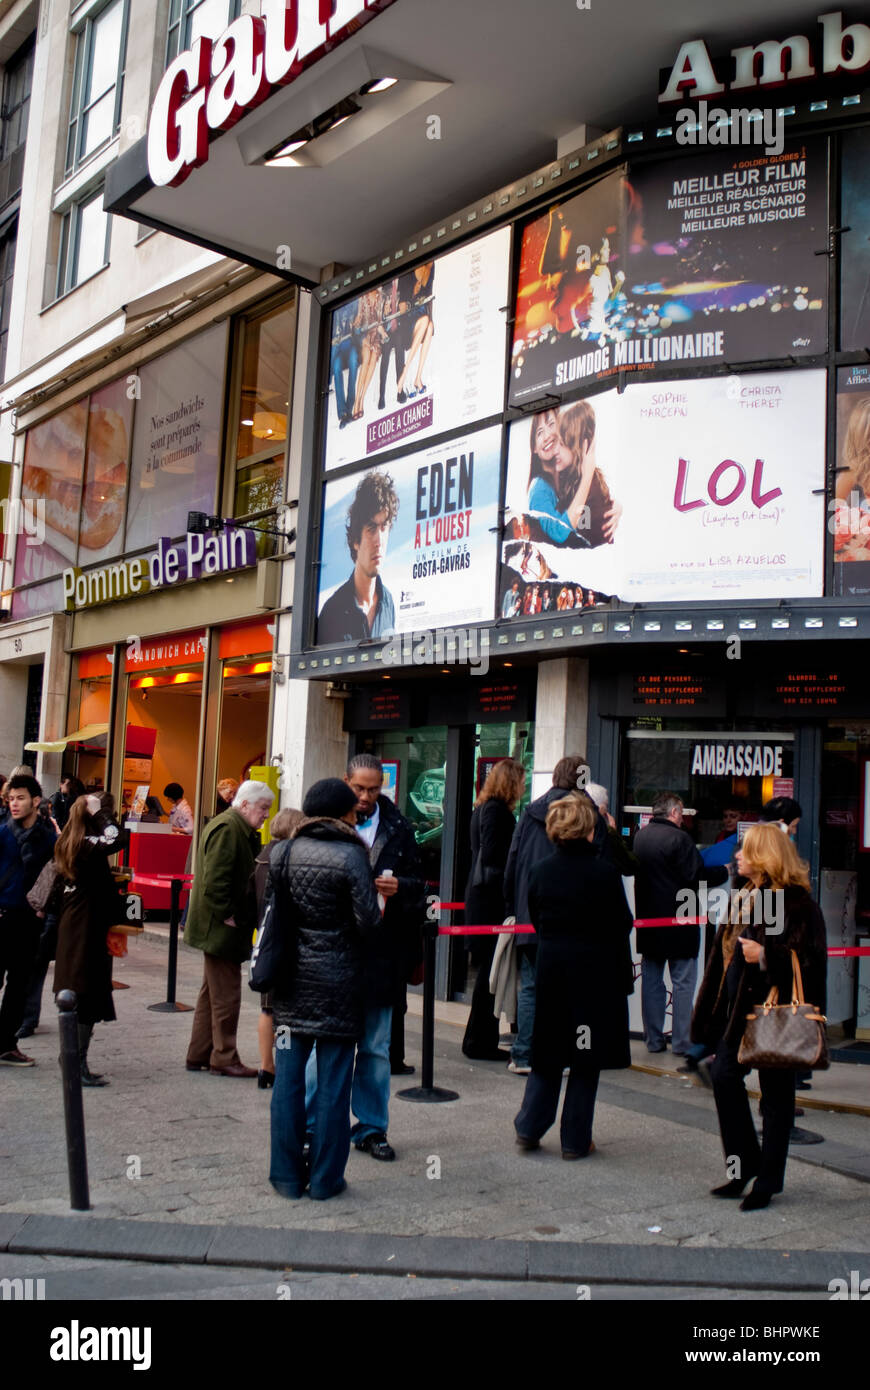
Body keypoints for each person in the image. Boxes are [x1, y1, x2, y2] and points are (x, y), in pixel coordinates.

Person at [691, 824, 827, 1211]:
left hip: (776, 1013)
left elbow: (813, 963)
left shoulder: (797, 903)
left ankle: (766, 1180)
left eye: (745, 852)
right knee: (723, 1076)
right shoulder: (744, 896)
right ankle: (743, 1166)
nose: (737, 857)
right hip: (737, 1013)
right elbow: (723, 957)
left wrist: (767, 956)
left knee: (776, 1096)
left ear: (765, 858)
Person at [306, 754, 426, 1161]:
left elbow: (420, 884)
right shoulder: (325, 828)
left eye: (374, 789)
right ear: (346, 782)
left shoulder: (399, 827)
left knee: (375, 1048)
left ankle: (372, 1127)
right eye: (359, 788)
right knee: (324, 1044)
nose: (366, 796)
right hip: (333, 956)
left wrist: (401, 888)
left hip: (381, 955)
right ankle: (311, 1124)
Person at [267, 778, 382, 1201]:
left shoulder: (283, 852)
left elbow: (274, 918)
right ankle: (326, 1179)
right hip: (339, 985)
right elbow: (369, 924)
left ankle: (285, 1176)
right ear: (340, 813)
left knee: (287, 1082)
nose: (360, 811)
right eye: (354, 807)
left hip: (289, 986)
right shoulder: (353, 855)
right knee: (334, 1083)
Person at [514, 794, 633, 1157]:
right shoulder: (604, 872)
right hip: (594, 974)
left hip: (554, 970)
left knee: (548, 1051)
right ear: (589, 827)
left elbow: (536, 916)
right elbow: (622, 923)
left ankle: (530, 1126)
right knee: (586, 1057)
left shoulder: (540, 871)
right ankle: (575, 1139)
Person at [504, 755, 610, 1075]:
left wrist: (513, 908)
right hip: (570, 920)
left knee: (531, 987)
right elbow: (602, 865)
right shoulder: (586, 815)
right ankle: (562, 1053)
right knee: (567, 991)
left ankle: (523, 1054)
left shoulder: (529, 812)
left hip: (529, 914)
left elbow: (512, 863)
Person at [183, 780, 274, 1077]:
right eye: (263, 808)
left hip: (219, 925)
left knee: (212, 994)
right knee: (225, 996)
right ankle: (224, 1057)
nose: (265, 815)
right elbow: (215, 880)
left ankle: (199, 1054)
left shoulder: (234, 827)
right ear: (245, 804)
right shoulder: (229, 829)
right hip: (220, 927)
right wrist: (227, 914)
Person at [633, 792, 728, 1058]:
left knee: (652, 981)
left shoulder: (641, 837)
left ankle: (653, 1038)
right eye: (682, 812)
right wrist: (726, 871)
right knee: (683, 982)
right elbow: (696, 876)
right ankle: (682, 1041)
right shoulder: (680, 838)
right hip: (681, 922)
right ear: (674, 813)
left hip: (650, 922)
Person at [52, 795, 129, 1085]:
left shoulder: (70, 842)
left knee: (83, 991)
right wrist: (101, 814)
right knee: (85, 992)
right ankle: (74, 1060)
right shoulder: (85, 844)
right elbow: (116, 838)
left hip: (77, 925)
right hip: (84, 928)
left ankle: (74, 1057)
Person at [462, 758, 526, 1061]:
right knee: (490, 974)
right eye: (521, 780)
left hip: (481, 899)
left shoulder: (483, 809)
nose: (524, 787)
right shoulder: (496, 812)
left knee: (488, 974)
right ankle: (479, 1043)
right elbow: (493, 855)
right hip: (489, 902)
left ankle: (478, 1040)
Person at [0, 774, 57, 1066]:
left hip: (27, 920)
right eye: (11, 798)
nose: (14, 804)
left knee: (19, 985)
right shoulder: (2, 832)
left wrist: (43, 907)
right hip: (1, 914)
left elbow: (57, 873)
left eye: (20, 798)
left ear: (36, 801)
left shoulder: (48, 839)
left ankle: (6, 1044)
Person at [250, 807, 303, 1090]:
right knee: (281, 1013)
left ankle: (264, 1065)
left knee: (266, 1009)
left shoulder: (260, 858)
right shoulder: (287, 860)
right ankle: (281, 1062)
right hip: (283, 941)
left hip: (263, 938)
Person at [317, 470, 398, 644]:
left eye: (384, 528)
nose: (379, 541)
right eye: (371, 529)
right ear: (355, 540)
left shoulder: (388, 603)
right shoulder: (332, 611)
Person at [525, 404, 621, 549]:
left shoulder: (569, 476)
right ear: (534, 448)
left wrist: (615, 507)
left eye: (551, 424)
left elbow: (591, 514)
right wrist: (587, 477)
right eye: (539, 433)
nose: (547, 436)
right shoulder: (539, 488)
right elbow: (559, 533)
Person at [330, 299, 361, 428]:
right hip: (339, 348)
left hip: (351, 344)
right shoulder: (334, 312)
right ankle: (344, 412)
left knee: (353, 361)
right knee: (336, 367)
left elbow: (358, 332)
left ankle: (347, 410)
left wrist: (357, 326)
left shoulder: (354, 303)